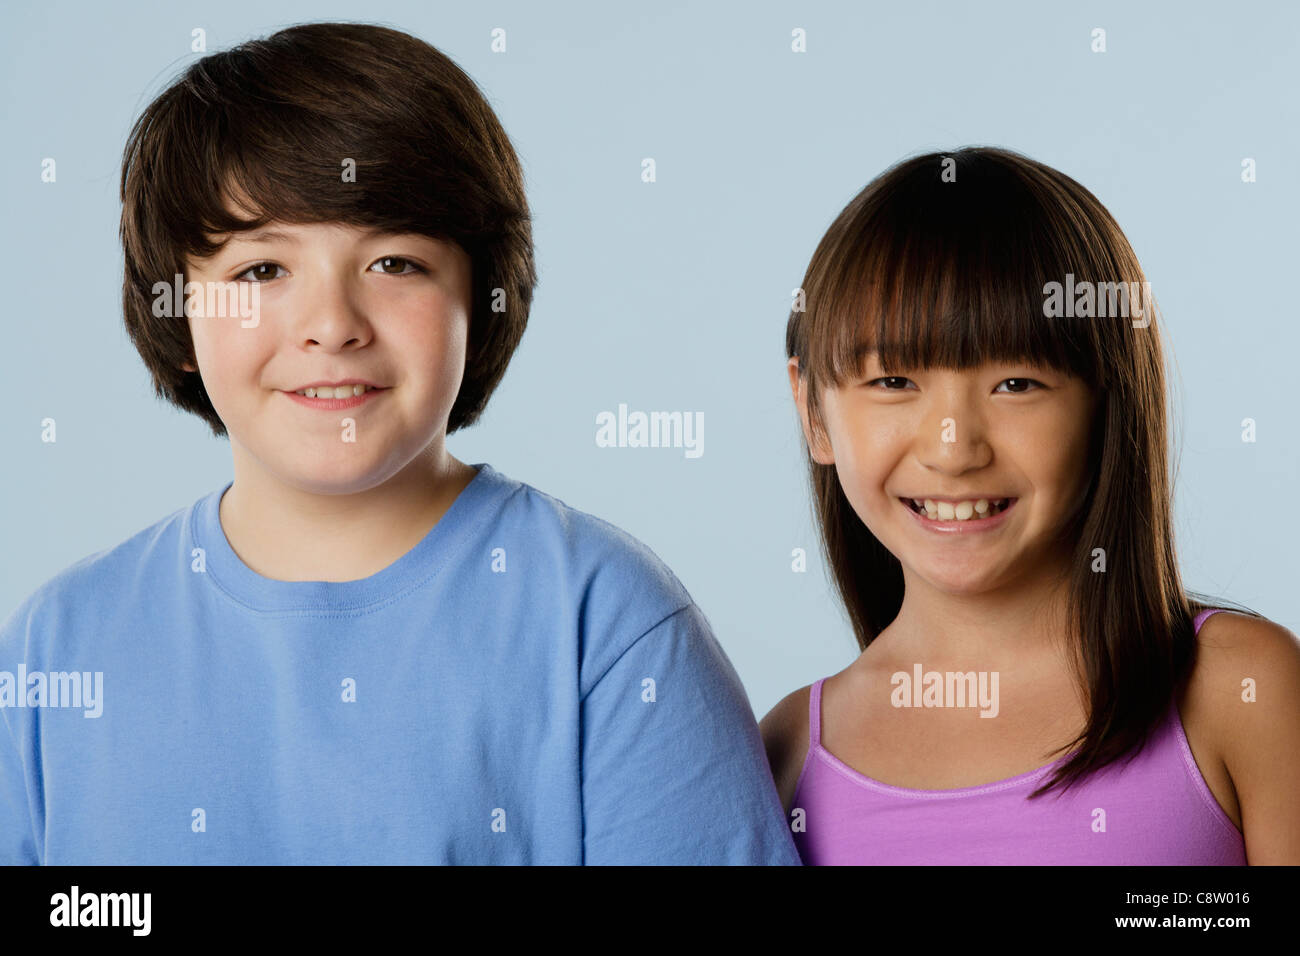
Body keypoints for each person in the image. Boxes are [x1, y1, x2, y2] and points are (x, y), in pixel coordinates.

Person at [0, 22, 799, 865]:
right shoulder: (59, 648)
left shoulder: (605, 623)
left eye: (395, 263)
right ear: (180, 312)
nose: (332, 327)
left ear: (481, 297)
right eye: (261, 271)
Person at [762, 146, 1300, 865]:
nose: (954, 449)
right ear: (813, 412)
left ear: (1110, 401)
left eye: (1017, 383)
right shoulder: (789, 753)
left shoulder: (1240, 688)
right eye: (892, 381)